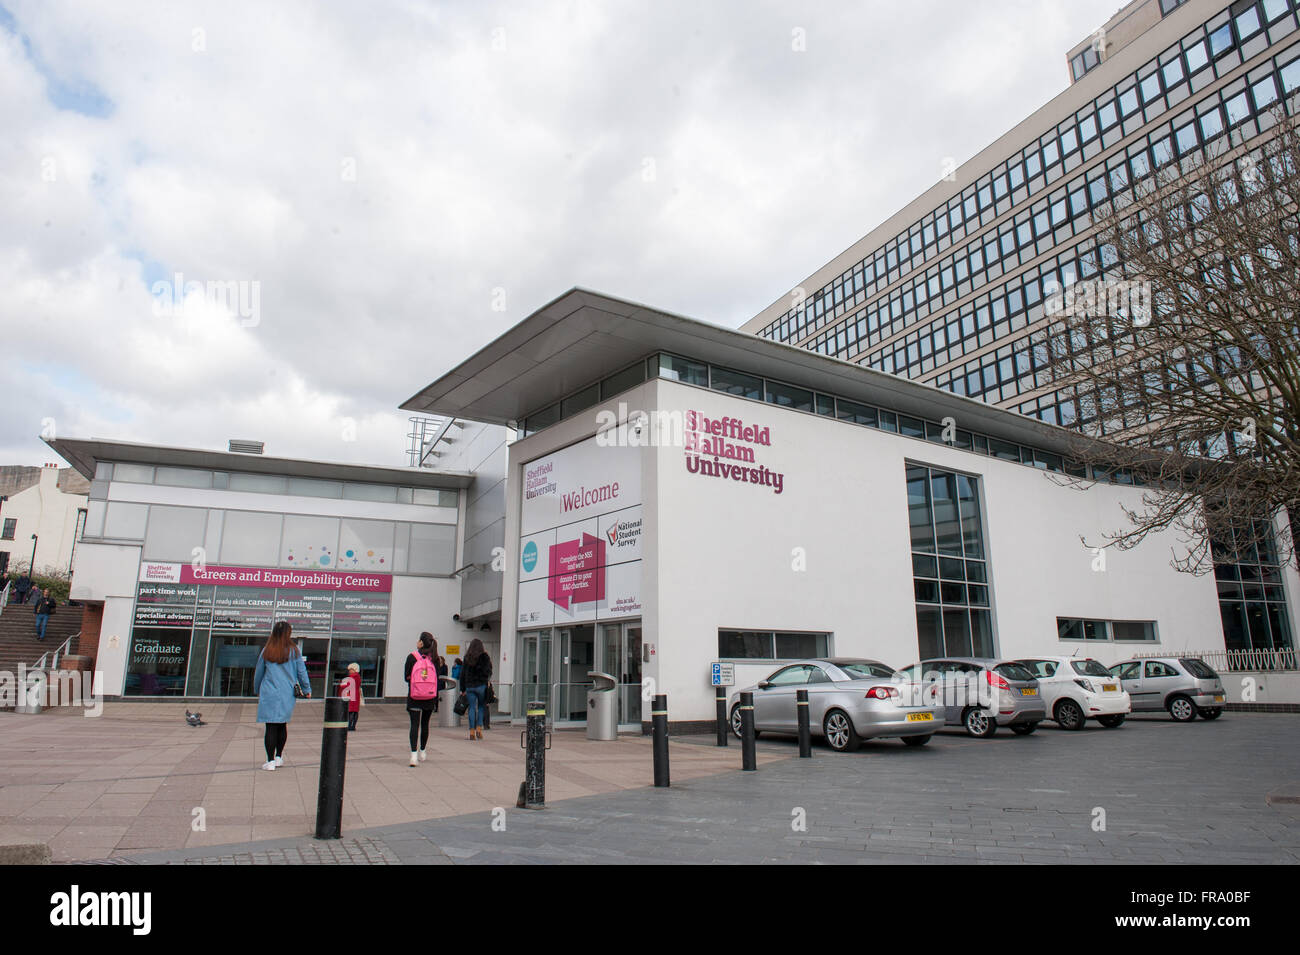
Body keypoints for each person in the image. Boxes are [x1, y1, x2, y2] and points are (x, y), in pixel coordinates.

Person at [253, 621, 311, 771]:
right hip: (287, 692)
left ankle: (270, 760)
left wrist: (256, 688)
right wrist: (306, 688)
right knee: (282, 724)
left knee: (270, 726)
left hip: (269, 691)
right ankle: (279, 757)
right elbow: (301, 672)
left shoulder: (268, 649)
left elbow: (259, 672)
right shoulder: (294, 650)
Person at [404, 633, 439, 766]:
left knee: (414, 725)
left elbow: (406, 676)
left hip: (414, 696)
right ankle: (423, 751)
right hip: (429, 697)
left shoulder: (412, 657)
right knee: (425, 724)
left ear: (421, 643)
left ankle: (413, 755)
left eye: (419, 640)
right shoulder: (435, 659)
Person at [459, 638, 492, 741]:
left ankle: (472, 731)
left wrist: (462, 688)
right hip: (481, 686)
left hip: (470, 686)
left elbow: (462, 674)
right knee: (481, 707)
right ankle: (479, 729)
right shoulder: (484, 656)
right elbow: (489, 671)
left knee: (472, 708)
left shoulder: (467, 657)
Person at [339, 662, 364, 731]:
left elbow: (346, 685)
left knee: (350, 711)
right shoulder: (358, 676)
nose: (349, 671)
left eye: (351, 669)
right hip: (356, 694)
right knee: (355, 711)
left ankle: (350, 726)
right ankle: (353, 726)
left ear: (354, 669)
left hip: (351, 695)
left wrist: (341, 683)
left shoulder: (352, 677)